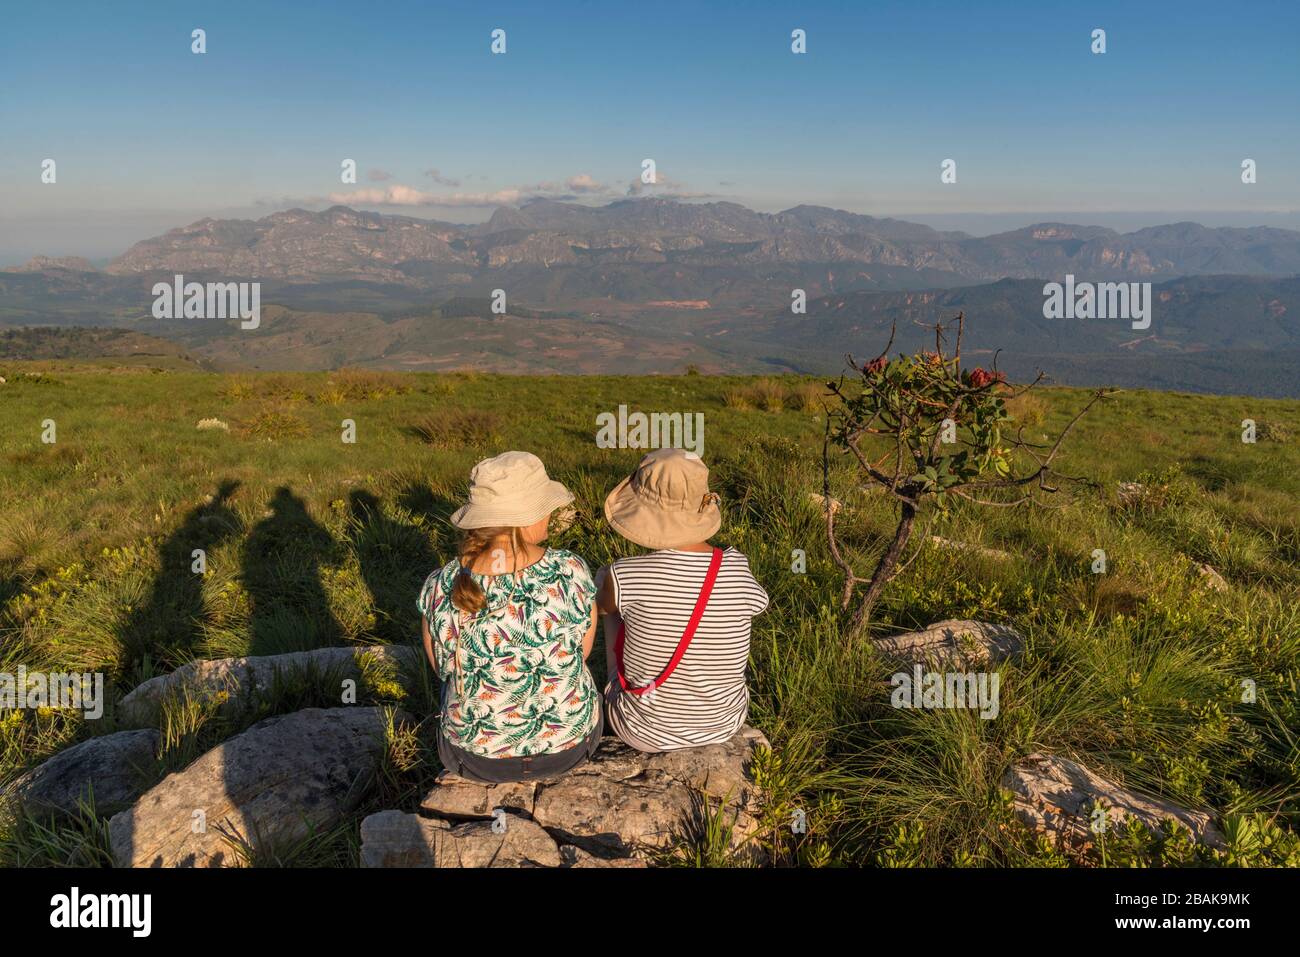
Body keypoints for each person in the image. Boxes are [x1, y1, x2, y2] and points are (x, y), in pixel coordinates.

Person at [417, 451, 602, 782]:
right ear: (529, 517)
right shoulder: (570, 570)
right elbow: (582, 653)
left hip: (474, 759)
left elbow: (441, 668)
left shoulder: (440, 583)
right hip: (568, 749)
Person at [597, 447, 768, 752]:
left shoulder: (624, 574)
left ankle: (615, 682)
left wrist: (606, 585)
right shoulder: (736, 565)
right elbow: (758, 603)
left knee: (611, 604)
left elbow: (602, 607)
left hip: (641, 730)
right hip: (724, 724)